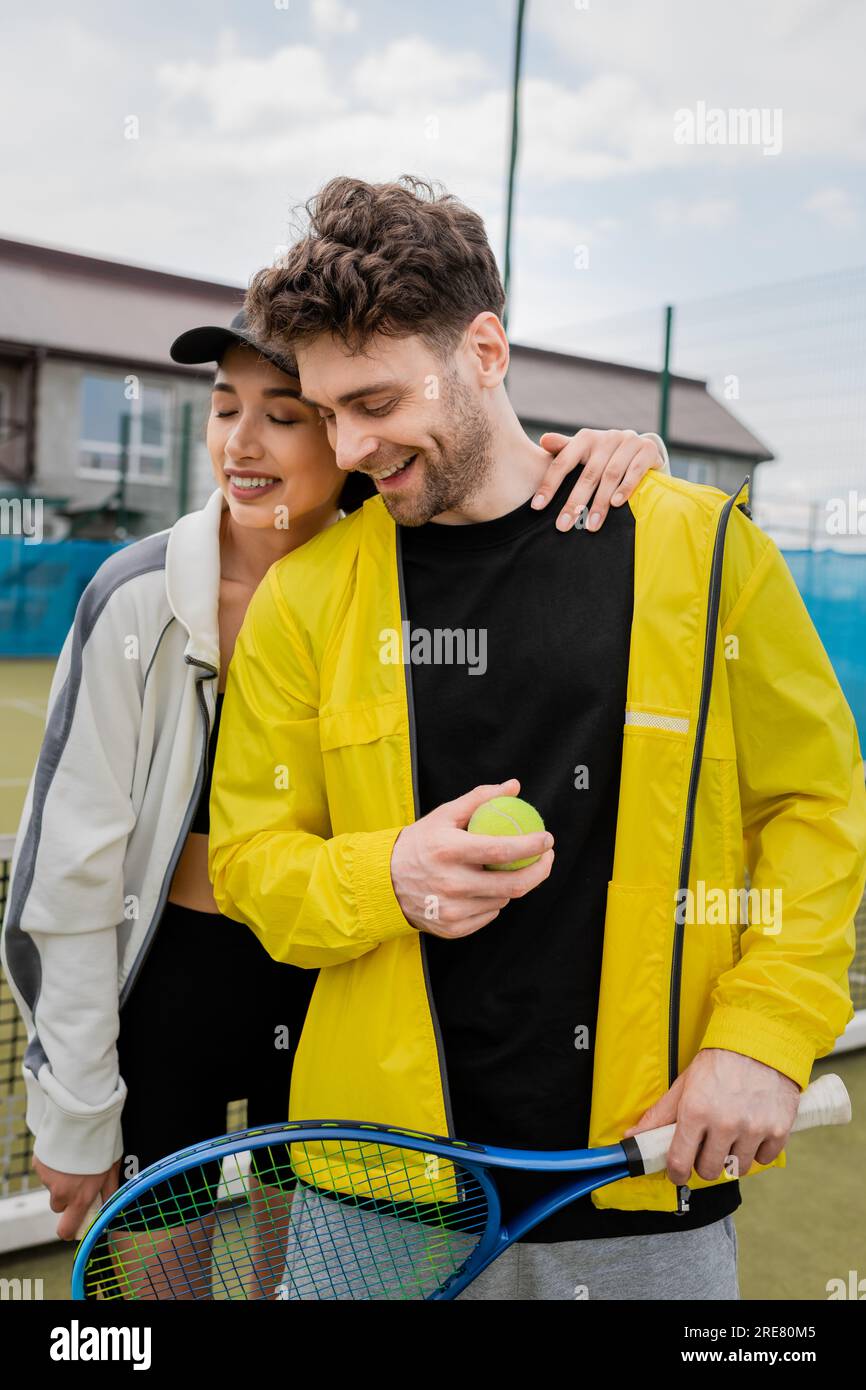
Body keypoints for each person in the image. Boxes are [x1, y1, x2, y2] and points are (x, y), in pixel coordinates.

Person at [209, 176, 866, 1301]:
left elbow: (809, 806)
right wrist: (390, 873)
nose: (351, 444)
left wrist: (761, 1033)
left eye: (373, 400)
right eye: (328, 414)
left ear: (483, 350)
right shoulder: (304, 598)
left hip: (644, 1171)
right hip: (373, 1196)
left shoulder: (704, 552)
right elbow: (249, 861)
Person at [0, 299, 668, 1297]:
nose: (243, 442)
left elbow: (504, 481)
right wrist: (71, 1111)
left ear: (349, 436)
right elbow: (67, 874)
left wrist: (622, 453)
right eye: (226, 410)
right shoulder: (132, 596)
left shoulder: (406, 569)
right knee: (153, 1298)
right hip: (169, 996)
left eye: (283, 413)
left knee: (290, 1283)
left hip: (323, 989)